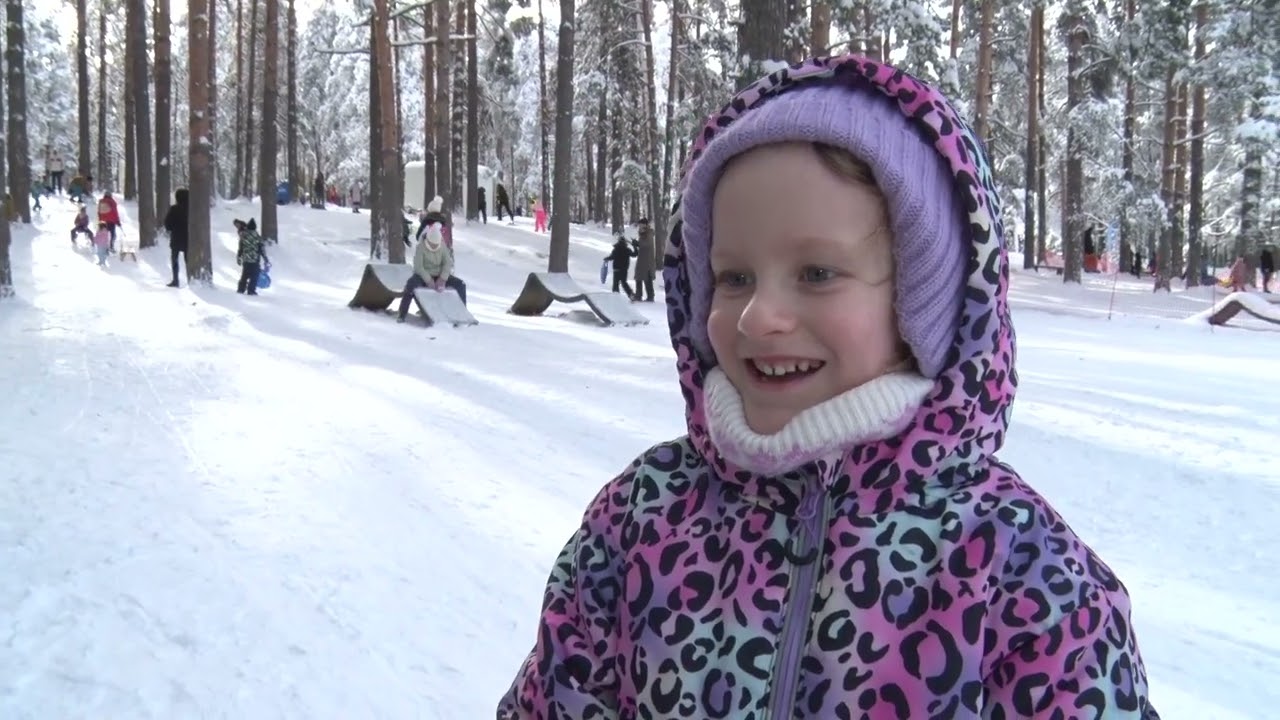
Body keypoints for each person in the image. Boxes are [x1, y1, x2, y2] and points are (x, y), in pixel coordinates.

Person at [498, 55, 1158, 719]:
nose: (758, 317)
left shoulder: (1022, 568)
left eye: (816, 273)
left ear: (922, 303)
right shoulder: (641, 517)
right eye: (734, 278)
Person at [396, 211, 466, 323]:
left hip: (439, 276)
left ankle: (461, 314)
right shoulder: (421, 247)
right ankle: (402, 314)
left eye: (436, 245)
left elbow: (447, 263)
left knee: (460, 285)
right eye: (432, 245)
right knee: (410, 284)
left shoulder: (442, 246)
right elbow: (418, 266)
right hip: (424, 276)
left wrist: (442, 278)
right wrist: (428, 280)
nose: (434, 247)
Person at [162, 188, 190, 288]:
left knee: (174, 260)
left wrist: (172, 228)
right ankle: (190, 279)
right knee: (188, 261)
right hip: (188, 239)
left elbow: (167, 224)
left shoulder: (174, 209)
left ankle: (175, 280)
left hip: (176, 238)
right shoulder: (192, 209)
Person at [234, 218, 268, 295]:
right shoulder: (258, 237)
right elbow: (262, 250)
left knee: (244, 275)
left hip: (246, 260)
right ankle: (251, 290)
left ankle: (241, 289)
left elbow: (240, 249)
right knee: (254, 277)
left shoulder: (243, 237)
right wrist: (266, 259)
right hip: (255, 261)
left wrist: (239, 257)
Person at [604, 233, 636, 300]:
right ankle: (631, 294)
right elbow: (635, 254)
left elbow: (612, 257)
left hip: (617, 269)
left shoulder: (616, 249)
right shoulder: (627, 250)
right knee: (624, 283)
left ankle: (616, 297)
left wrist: (606, 258)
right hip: (624, 269)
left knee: (615, 284)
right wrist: (635, 246)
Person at [633, 217, 656, 302]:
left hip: (648, 261)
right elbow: (642, 244)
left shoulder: (649, 233)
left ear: (645, 225)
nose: (639, 226)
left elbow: (647, 244)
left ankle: (650, 296)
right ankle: (638, 295)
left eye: (641, 225)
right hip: (642, 259)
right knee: (638, 277)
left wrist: (638, 243)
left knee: (647, 278)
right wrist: (635, 244)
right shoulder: (643, 233)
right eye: (639, 225)